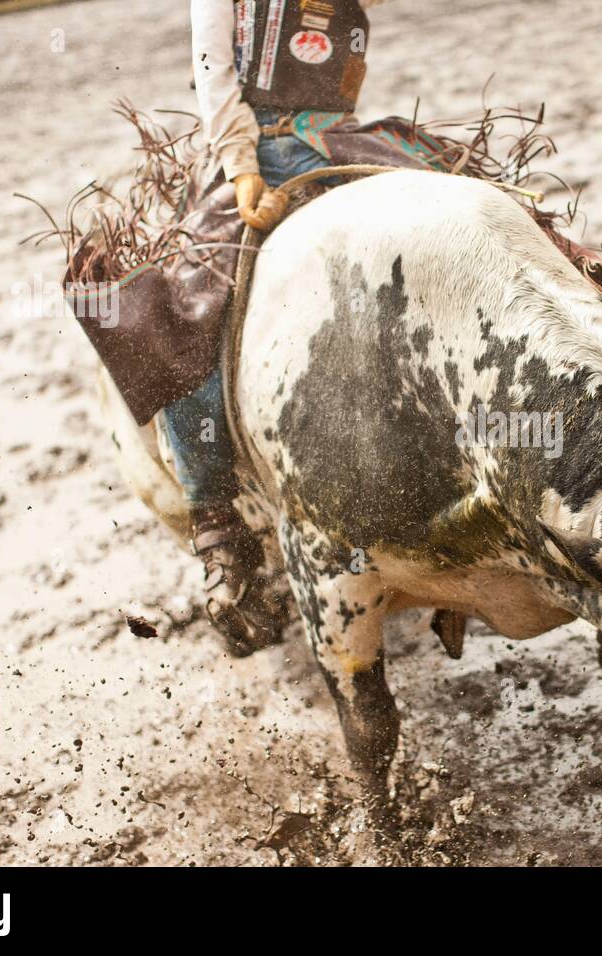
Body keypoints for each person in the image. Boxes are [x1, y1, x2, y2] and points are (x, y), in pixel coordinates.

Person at [175, 0, 392, 653]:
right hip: (256, 148)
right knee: (177, 312)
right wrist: (240, 164)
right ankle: (218, 526)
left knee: (483, 224)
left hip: (342, 141)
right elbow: (214, 69)